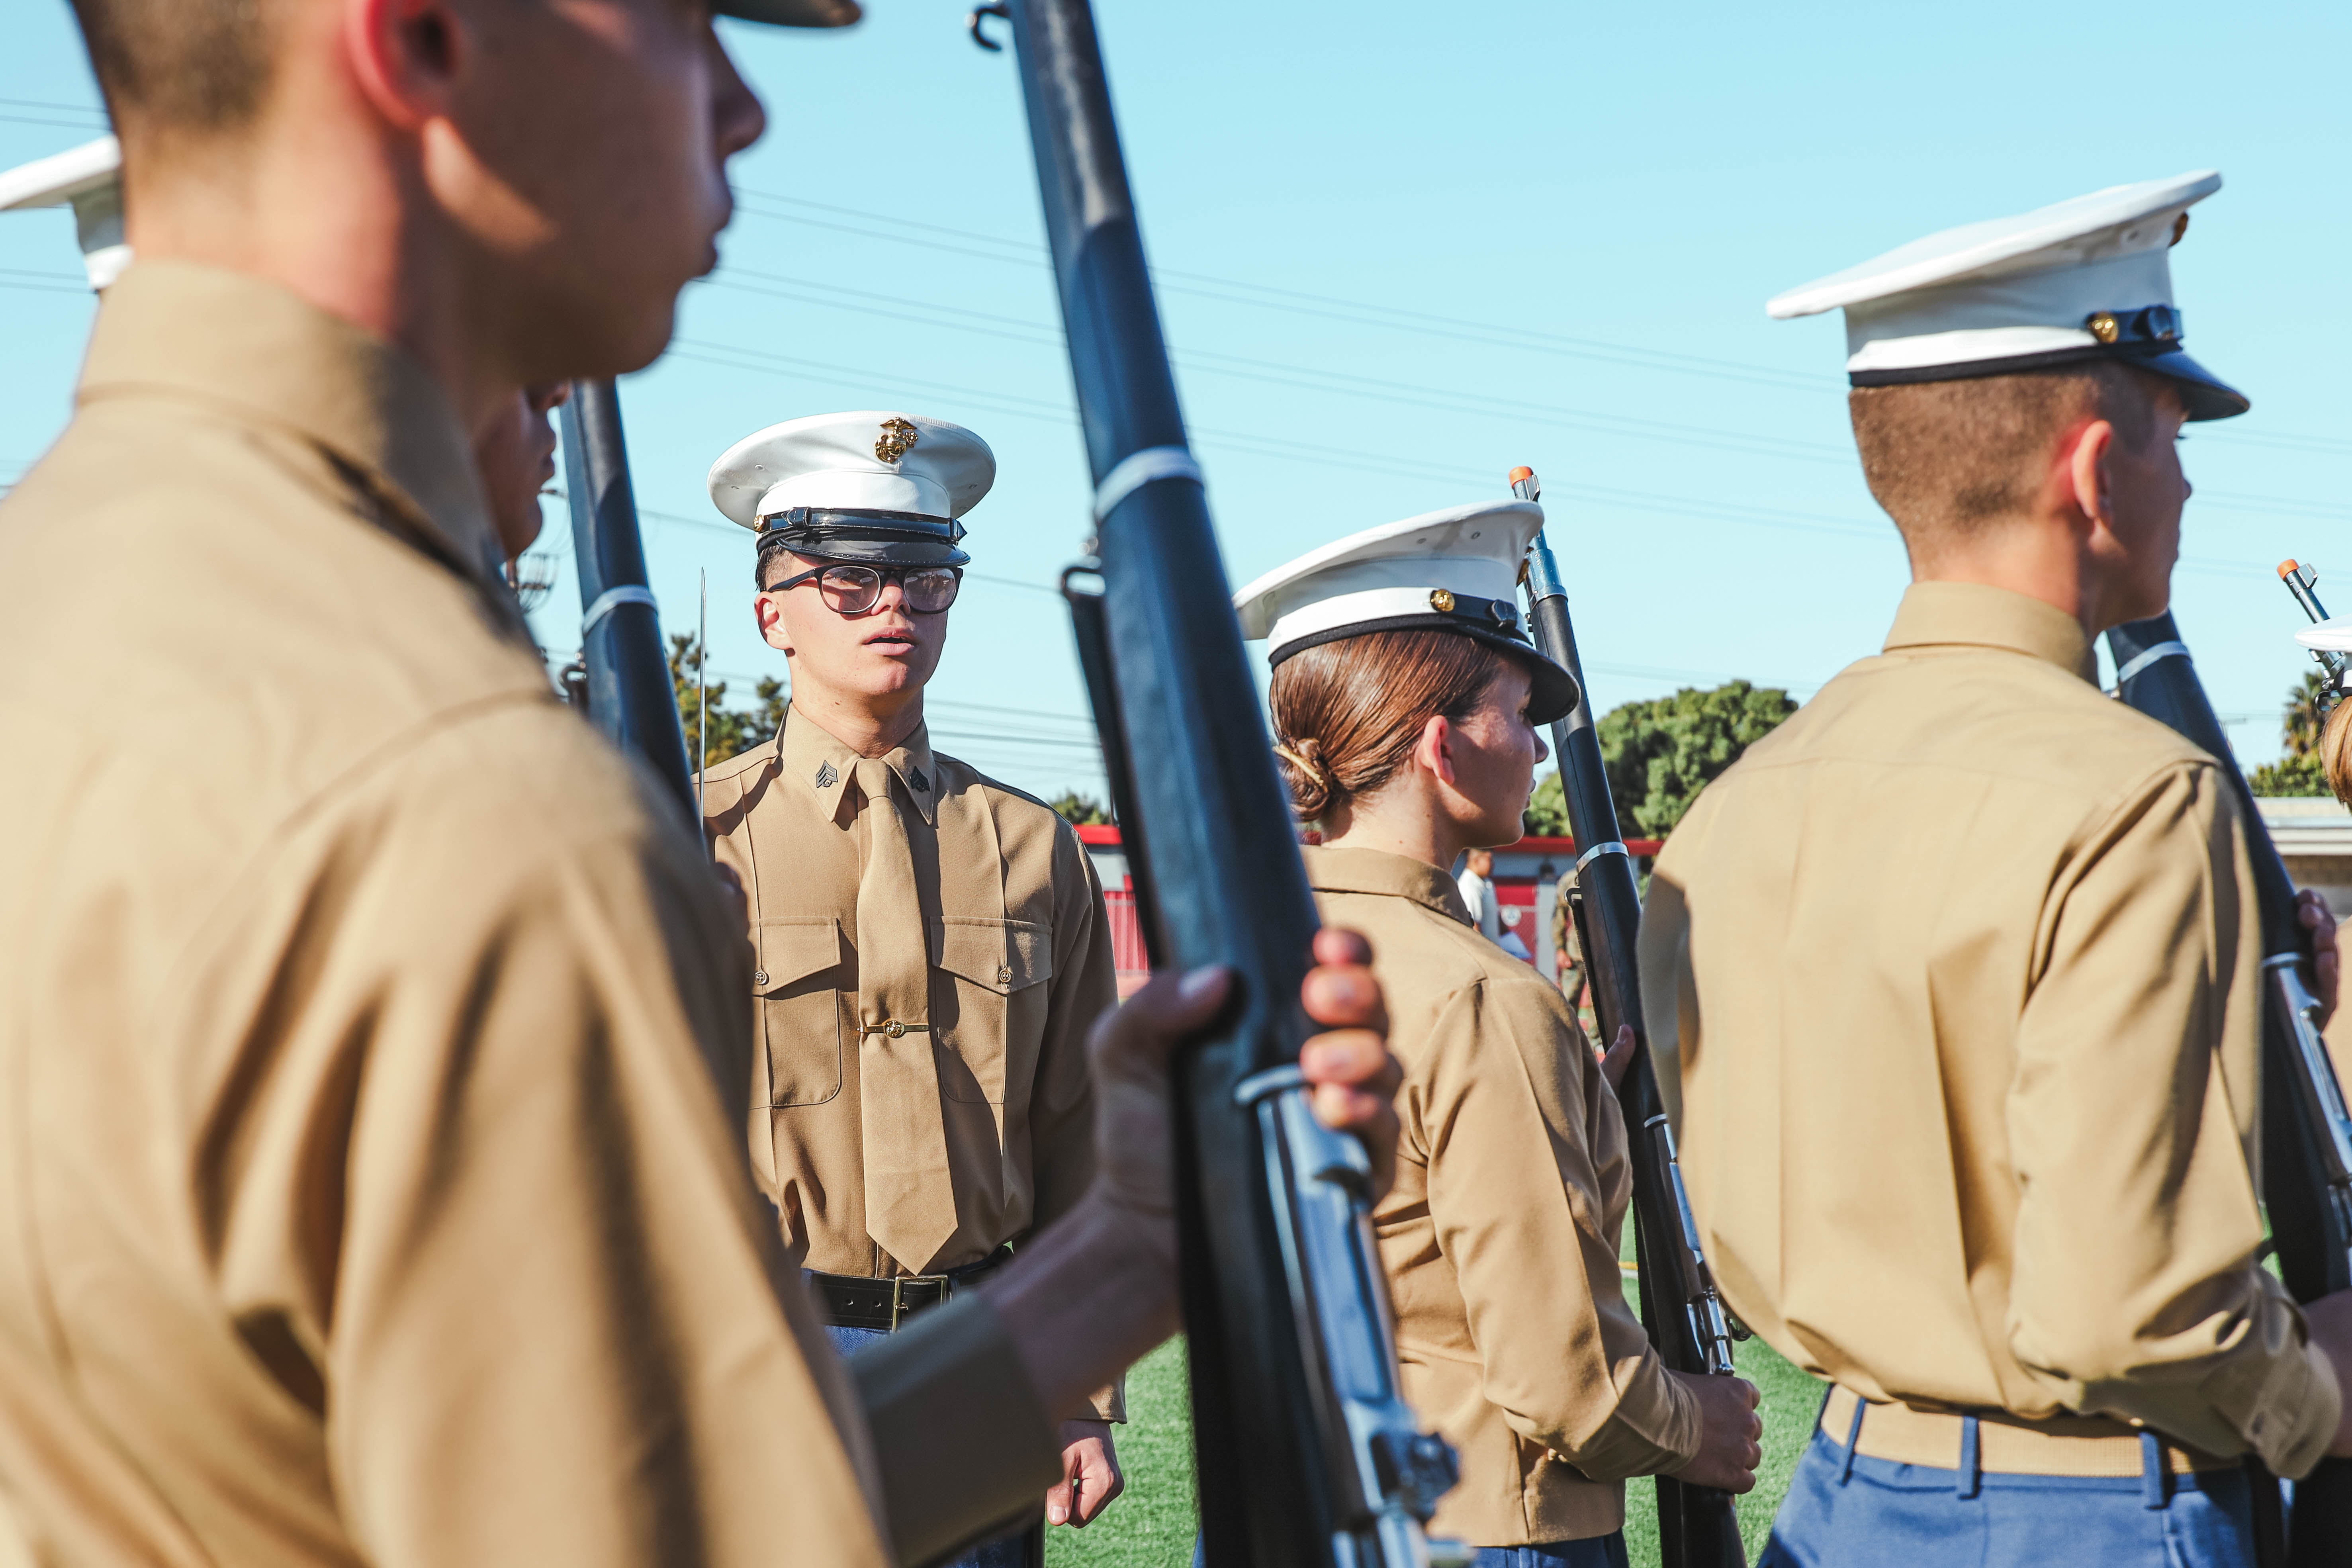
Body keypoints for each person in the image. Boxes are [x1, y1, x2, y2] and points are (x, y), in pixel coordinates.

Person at [0, 4, 1404, 1566]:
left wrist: (1125, 1254)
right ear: (424, 39)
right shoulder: (471, 802)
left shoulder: (64, 606)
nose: (741, 108)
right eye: (680, 20)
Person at [1640, 172, 2352, 1566]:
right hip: (2087, 1506)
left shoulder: (1733, 804)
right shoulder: (2139, 793)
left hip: (1838, 1483)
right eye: (2167, 429)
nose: (2190, 476)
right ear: (2090, 471)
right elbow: (2129, 1305)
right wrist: (2313, 1385)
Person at [1234, 502, 1762, 1568]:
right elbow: (1561, 1383)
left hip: (1288, 1504)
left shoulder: (1247, 958)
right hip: (1485, 1529)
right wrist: (1694, 1422)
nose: (1532, 748)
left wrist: (1578, 1108)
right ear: (1441, 745)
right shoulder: (1480, 997)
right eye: (1519, 713)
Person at [699, 411, 1124, 1557]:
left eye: (927, 577)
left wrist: (1079, 1381)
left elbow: (1079, 1127)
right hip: (761, 1353)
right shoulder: (686, 836)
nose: (895, 603)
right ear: (770, 614)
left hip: (988, 1351)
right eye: (849, 577)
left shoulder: (1036, 846)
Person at [1456, 845, 1502, 941]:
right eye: (1489, 859)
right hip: (1485, 952)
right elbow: (1472, 925)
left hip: (1493, 951)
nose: (1493, 864)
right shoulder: (1469, 885)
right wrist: (1483, 954)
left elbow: (1495, 920)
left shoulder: (1486, 883)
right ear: (1477, 861)